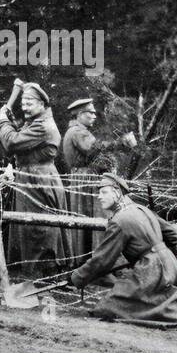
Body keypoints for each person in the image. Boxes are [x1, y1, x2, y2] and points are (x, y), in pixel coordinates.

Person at [66, 172, 177, 329]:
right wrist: (165, 258)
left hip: (151, 271)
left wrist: (76, 278)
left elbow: (102, 261)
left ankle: (176, 312)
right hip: (170, 266)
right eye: (98, 193)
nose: (99, 197)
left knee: (108, 306)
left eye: (104, 192)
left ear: (117, 192)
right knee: (133, 296)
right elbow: (174, 235)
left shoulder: (119, 221)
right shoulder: (142, 209)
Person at [0, 79, 68, 279]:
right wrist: (11, 122)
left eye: (29, 103)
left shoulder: (42, 126)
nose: (25, 107)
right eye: (23, 103)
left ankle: (43, 276)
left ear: (42, 105)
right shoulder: (35, 122)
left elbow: (12, 142)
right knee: (31, 228)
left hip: (39, 181)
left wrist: (2, 121)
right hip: (32, 177)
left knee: (39, 229)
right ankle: (39, 274)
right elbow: (21, 141)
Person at [58, 97, 136, 264]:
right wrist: (121, 142)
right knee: (92, 218)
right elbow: (95, 149)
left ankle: (89, 261)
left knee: (88, 219)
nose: (94, 115)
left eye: (94, 112)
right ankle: (94, 262)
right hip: (85, 177)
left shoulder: (79, 131)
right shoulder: (78, 132)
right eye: (90, 112)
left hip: (83, 176)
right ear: (79, 114)